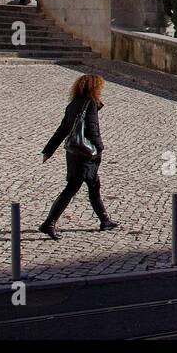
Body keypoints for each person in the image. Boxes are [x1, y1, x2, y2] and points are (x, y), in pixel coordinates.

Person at [38, 74, 119, 239]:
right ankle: (49, 223)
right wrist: (99, 148)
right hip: (86, 154)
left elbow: (62, 130)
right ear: (94, 88)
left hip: (73, 152)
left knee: (94, 185)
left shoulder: (73, 105)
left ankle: (105, 220)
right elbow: (92, 128)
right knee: (72, 188)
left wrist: (49, 150)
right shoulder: (89, 104)